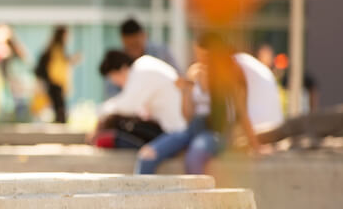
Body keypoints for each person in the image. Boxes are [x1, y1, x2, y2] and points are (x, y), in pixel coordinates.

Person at [134, 32, 261, 175]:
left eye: (206, 57)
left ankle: (195, 191)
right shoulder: (194, 72)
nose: (202, 62)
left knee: (194, 157)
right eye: (199, 56)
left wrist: (255, 146)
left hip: (216, 132)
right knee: (147, 154)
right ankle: (143, 188)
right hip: (193, 129)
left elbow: (242, 113)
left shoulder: (229, 76)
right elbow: (187, 116)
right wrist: (185, 91)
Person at [94, 50, 185, 152]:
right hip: (174, 128)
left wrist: (100, 113)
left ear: (123, 68)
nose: (115, 83)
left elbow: (127, 106)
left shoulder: (141, 71)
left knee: (119, 130)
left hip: (175, 131)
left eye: (114, 77)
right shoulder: (144, 66)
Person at [0, 23, 30, 121]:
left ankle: (17, 119)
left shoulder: (13, 46)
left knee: (17, 103)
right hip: (1, 81)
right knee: (3, 104)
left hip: (14, 81)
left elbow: (24, 57)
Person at [34, 25, 78, 124]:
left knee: (58, 104)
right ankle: (60, 121)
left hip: (54, 80)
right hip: (55, 80)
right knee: (59, 105)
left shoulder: (54, 47)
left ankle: (60, 120)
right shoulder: (56, 48)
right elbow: (58, 65)